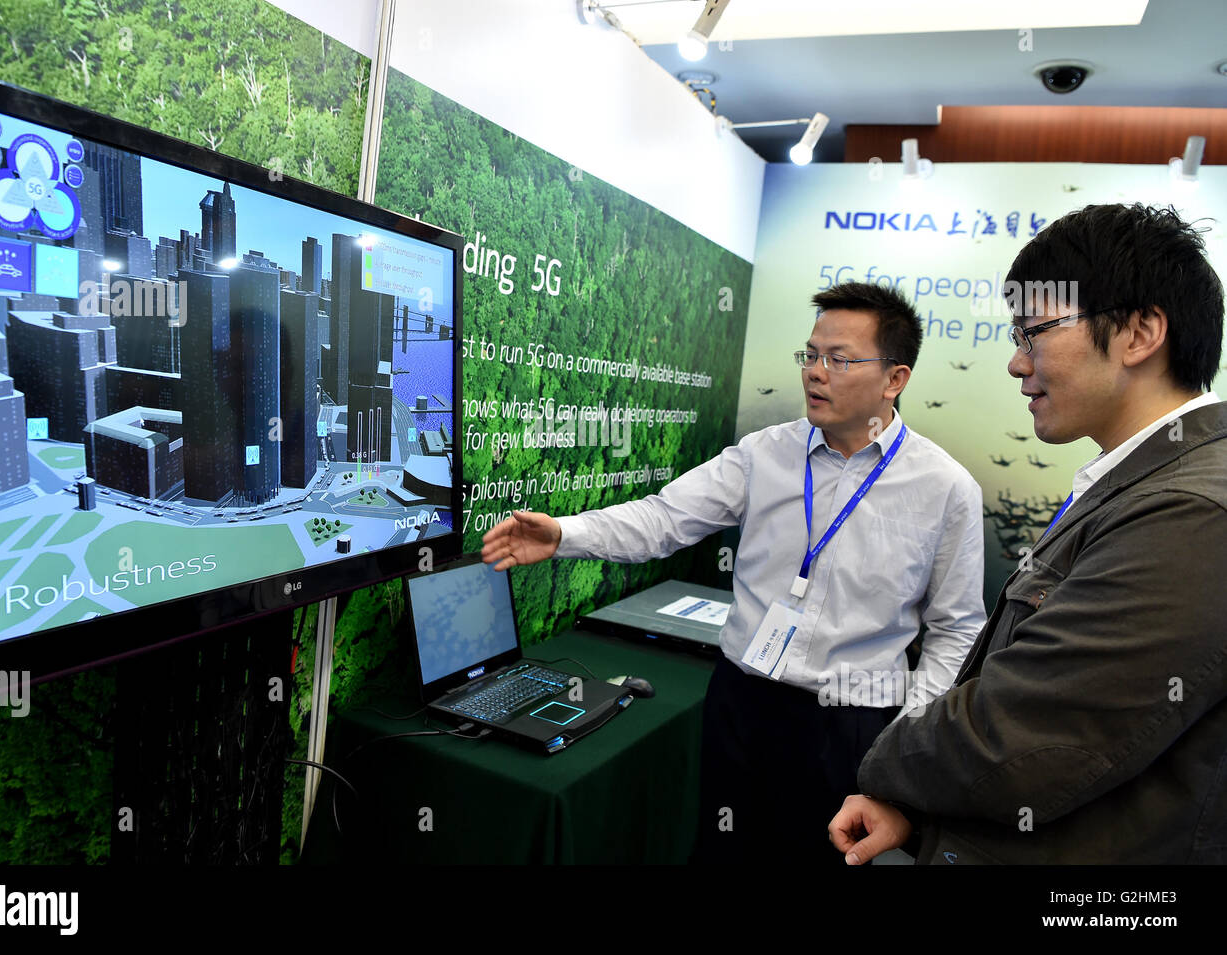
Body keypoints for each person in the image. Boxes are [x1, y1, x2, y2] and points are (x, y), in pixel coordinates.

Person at [482, 282, 987, 863]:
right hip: (742, 705)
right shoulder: (764, 453)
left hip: (852, 723)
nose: (815, 373)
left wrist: (907, 748)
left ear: (894, 379)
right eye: (810, 354)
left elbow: (955, 631)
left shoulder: (944, 489)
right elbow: (664, 519)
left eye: (840, 359)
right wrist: (567, 534)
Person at [830, 203, 1227, 865]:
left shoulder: (1193, 511)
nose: (1018, 364)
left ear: (1139, 333)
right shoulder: (1145, 482)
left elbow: (1024, 737)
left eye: (1034, 332)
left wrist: (883, 763)